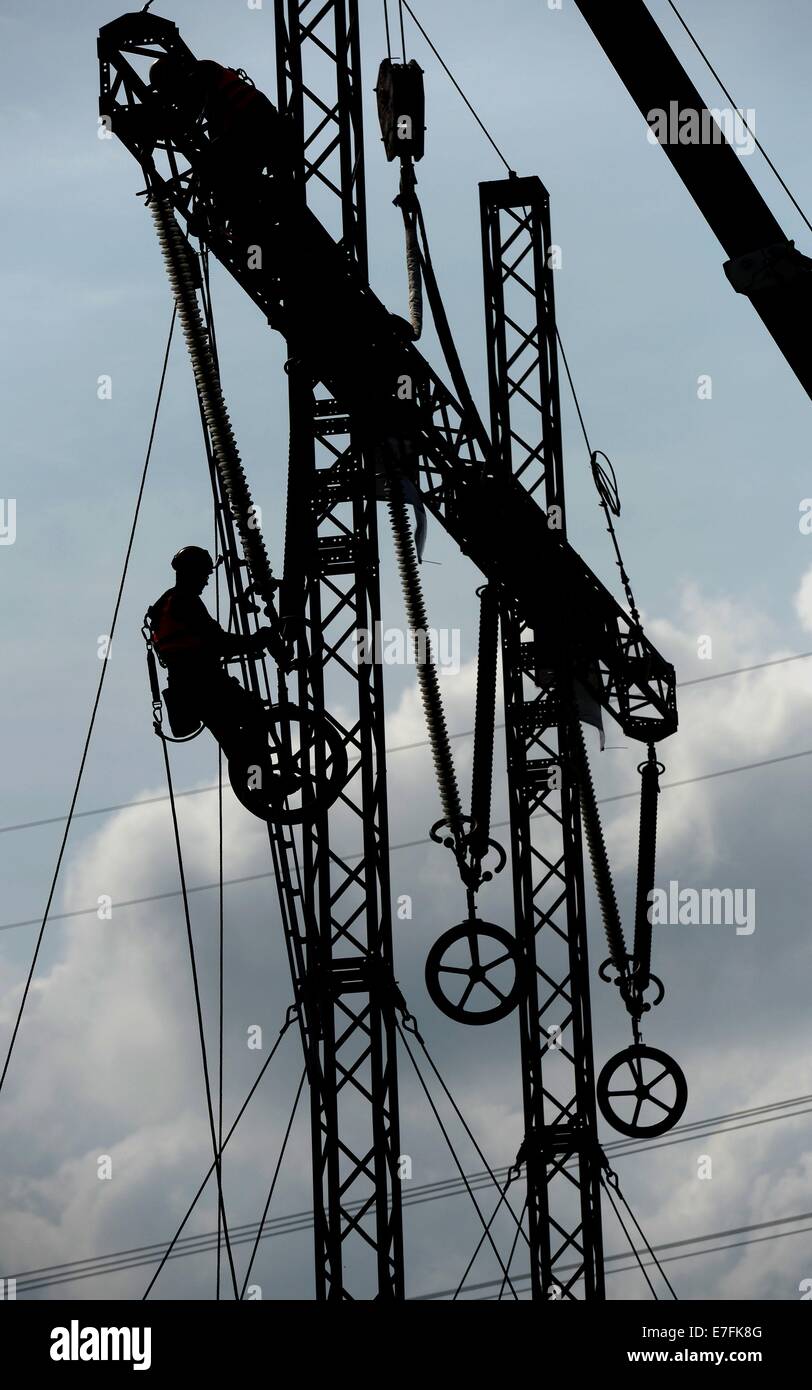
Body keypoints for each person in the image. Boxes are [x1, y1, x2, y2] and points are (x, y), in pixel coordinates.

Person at [148, 546, 274, 753]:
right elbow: (218, 641)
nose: (206, 581)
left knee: (231, 737)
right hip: (207, 683)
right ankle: (262, 773)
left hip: (186, 689)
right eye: (204, 575)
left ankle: (252, 775)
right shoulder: (186, 603)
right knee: (254, 712)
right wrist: (255, 641)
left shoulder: (166, 604)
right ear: (192, 572)